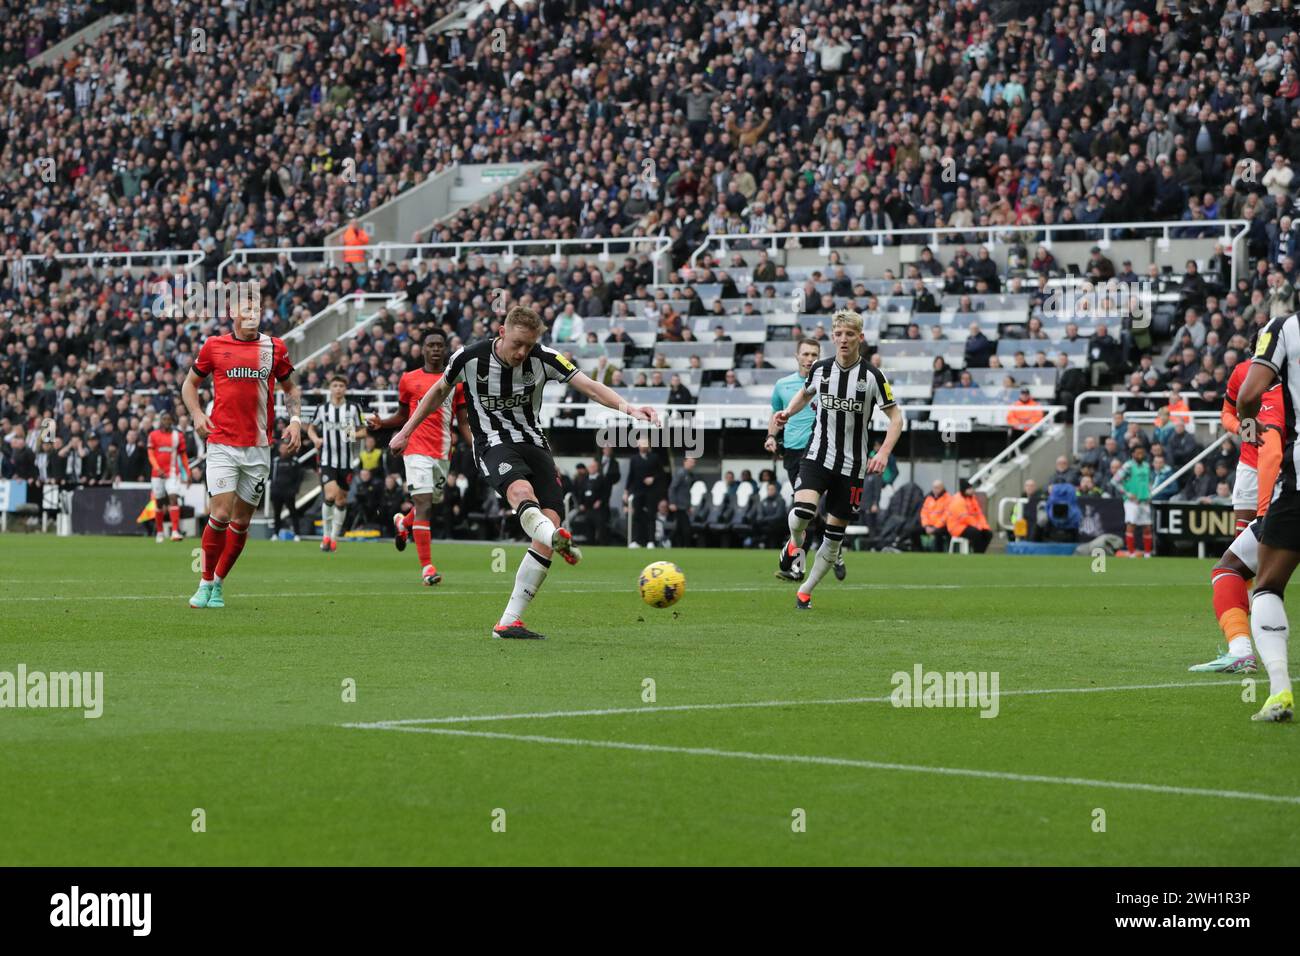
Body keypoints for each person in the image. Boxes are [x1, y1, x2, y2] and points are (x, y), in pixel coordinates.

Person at [391, 305, 659, 639]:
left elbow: (589, 386)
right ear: (502, 332)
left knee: (549, 524)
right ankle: (555, 539)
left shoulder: (545, 358)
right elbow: (436, 394)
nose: (522, 352)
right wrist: (406, 431)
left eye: (528, 346)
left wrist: (630, 408)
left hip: (535, 444)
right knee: (521, 494)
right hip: (492, 443)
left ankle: (509, 621)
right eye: (518, 343)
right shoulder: (468, 357)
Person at [769, 309, 904, 608]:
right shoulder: (820, 369)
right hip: (818, 454)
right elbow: (806, 394)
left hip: (852, 467)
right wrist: (788, 412)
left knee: (833, 538)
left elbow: (896, 418)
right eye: (839, 334)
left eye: (850, 334)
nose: (843, 340)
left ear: (860, 338)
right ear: (832, 337)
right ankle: (794, 542)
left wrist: (882, 452)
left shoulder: (873, 376)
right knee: (803, 511)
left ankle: (805, 590)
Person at [182, 298, 301, 609]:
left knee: (242, 522)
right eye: (246, 311)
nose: (252, 316)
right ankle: (205, 581)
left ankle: (219, 583)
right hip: (222, 443)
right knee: (219, 514)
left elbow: (291, 389)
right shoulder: (213, 346)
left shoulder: (275, 347)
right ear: (234, 314)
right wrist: (196, 414)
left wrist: (297, 421)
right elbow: (189, 385)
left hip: (259, 447)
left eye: (257, 311)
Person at [1233, 314, 1300, 720]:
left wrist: (1247, 428)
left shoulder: (1285, 327)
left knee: (1268, 586)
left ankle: (1279, 689)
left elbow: (1246, 395)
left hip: (1297, 473)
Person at [367, 330, 469, 586]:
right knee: (424, 505)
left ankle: (403, 523)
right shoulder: (408, 379)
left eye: (439, 345)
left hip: (443, 451)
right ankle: (427, 568)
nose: (435, 349)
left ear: (445, 350)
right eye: (430, 345)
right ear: (422, 349)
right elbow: (403, 415)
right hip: (415, 449)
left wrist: (477, 447)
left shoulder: (456, 382)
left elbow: (463, 421)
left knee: (428, 504)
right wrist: (383, 424)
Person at [765, 337, 844, 579]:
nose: (810, 359)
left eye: (814, 355)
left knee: (804, 511)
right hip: (792, 452)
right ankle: (834, 547)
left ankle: (798, 569)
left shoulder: (827, 382)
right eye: (806, 354)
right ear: (797, 356)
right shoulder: (783, 385)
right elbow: (775, 413)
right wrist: (770, 436)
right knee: (808, 513)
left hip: (821, 451)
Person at [308, 375, 366, 552]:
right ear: (330, 388)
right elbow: (310, 427)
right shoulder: (323, 409)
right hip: (327, 460)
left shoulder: (353, 408)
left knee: (341, 501)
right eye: (335, 385)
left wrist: (354, 435)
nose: (338, 388)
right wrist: (315, 438)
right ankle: (326, 535)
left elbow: (363, 430)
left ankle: (334, 537)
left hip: (346, 462)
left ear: (345, 389)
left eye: (341, 385)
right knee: (331, 495)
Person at [147, 410, 192, 542]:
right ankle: (160, 532)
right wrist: (157, 468)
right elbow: (150, 455)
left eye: (169, 419)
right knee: (159, 502)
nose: (166, 421)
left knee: (173, 497)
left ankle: (175, 531)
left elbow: (183, 456)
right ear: (160, 421)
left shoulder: (178, 436)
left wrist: (187, 472)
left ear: (172, 421)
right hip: (157, 474)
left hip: (172, 473)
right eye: (164, 419)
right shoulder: (153, 435)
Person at [1113, 444, 1154, 557]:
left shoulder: (1146, 466)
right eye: (1138, 453)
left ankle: (1147, 554)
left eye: (1142, 453)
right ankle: (1131, 553)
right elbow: (1115, 481)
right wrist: (1127, 494)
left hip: (1144, 500)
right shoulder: (1128, 466)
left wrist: (1150, 493)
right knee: (1131, 525)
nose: (1140, 455)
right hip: (1132, 502)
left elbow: (1149, 481)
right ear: (1133, 454)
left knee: (1147, 527)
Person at [269, 439, 304, 539]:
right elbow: (271, 475)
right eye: (282, 447)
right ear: (279, 449)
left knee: (293, 513)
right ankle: (275, 534)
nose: (284, 449)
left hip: (289, 492)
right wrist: (273, 488)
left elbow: (299, 477)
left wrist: (295, 490)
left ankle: (297, 534)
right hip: (277, 492)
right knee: (277, 514)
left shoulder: (294, 462)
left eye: (286, 447)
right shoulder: (275, 461)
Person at [946, 479, 992, 553]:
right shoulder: (958, 500)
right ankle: (976, 553)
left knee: (988, 533)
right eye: (970, 489)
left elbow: (979, 514)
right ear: (965, 490)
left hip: (969, 525)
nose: (972, 490)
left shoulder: (971, 499)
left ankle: (980, 553)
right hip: (957, 527)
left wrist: (984, 526)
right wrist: (978, 526)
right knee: (976, 533)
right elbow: (964, 518)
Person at [920, 480, 951, 551]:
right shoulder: (929, 498)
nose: (935, 490)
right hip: (928, 525)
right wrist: (926, 526)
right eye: (934, 487)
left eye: (937, 488)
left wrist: (935, 527)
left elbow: (946, 516)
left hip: (941, 526)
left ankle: (938, 553)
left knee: (938, 534)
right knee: (912, 530)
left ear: (942, 488)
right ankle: (919, 550)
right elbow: (923, 513)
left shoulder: (948, 498)